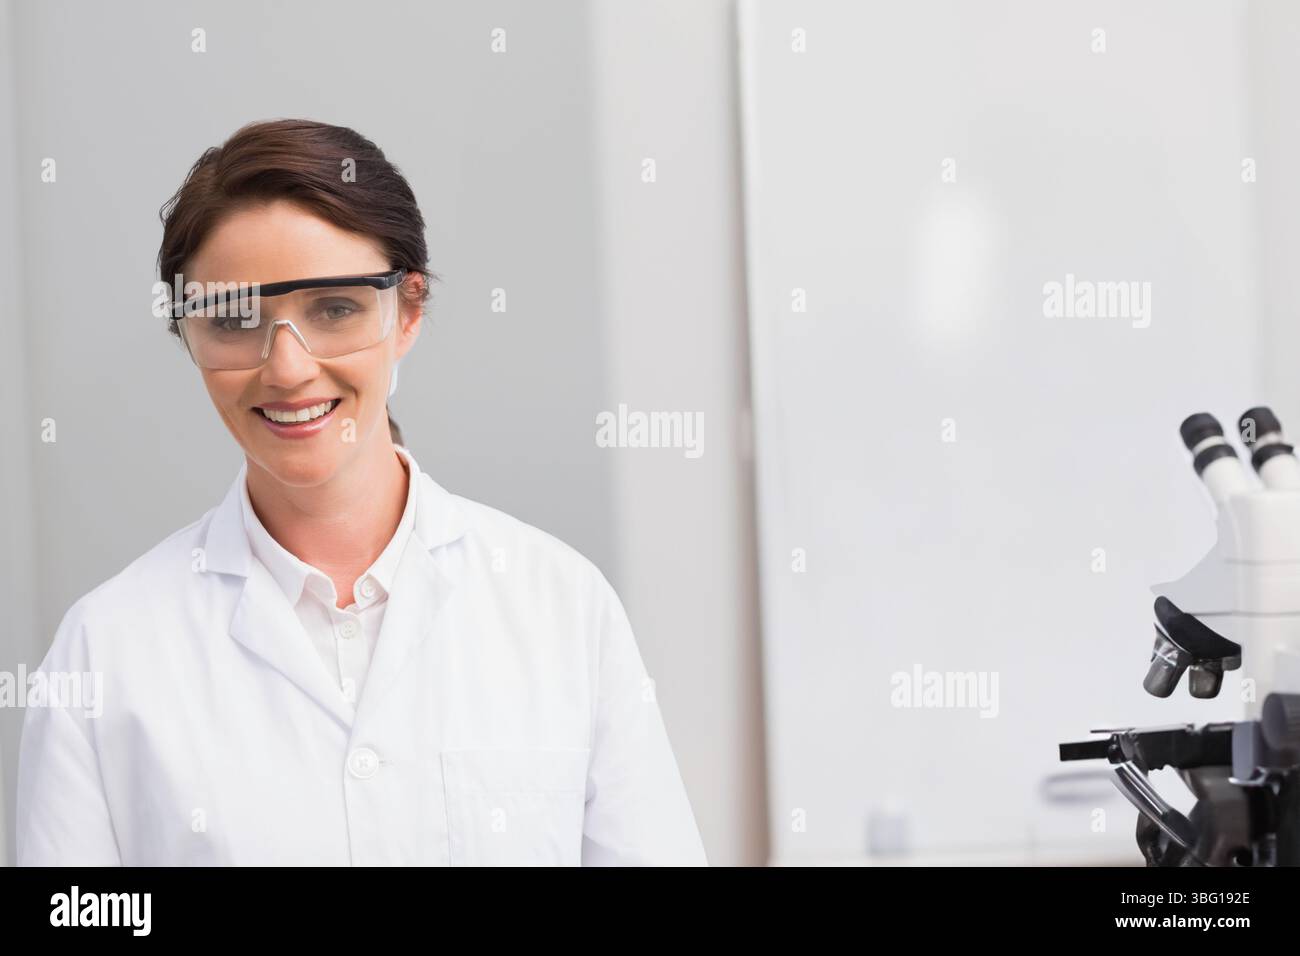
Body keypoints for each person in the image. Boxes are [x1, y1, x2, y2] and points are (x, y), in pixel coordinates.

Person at [15, 119, 706, 866]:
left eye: (335, 309)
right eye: (233, 320)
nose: (286, 369)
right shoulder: (106, 652)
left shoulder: (563, 609)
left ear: (407, 311)